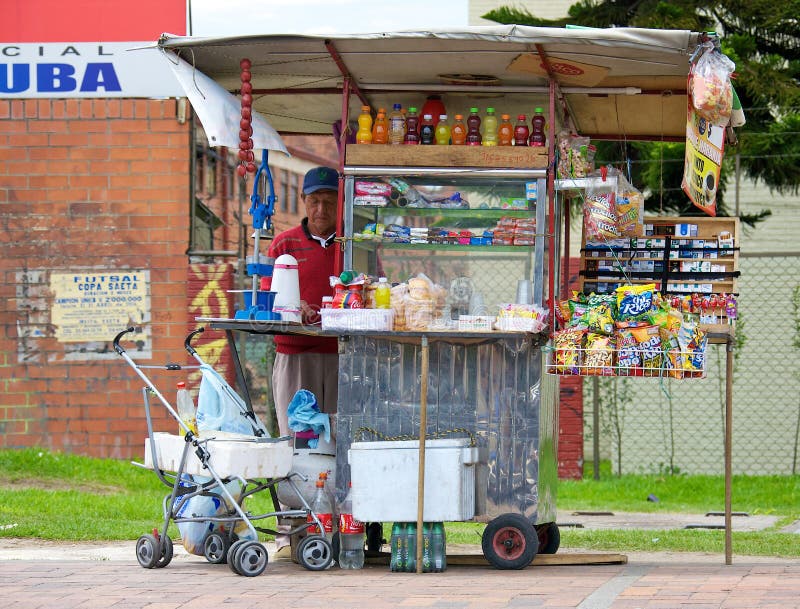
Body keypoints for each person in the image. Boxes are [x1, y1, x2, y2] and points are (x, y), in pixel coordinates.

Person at [267, 166, 340, 558]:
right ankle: (292, 533)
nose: (321, 208)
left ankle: (341, 526)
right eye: (315, 200)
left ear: (340, 203)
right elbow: (268, 299)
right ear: (304, 202)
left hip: (342, 356)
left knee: (338, 441)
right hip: (295, 355)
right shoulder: (284, 244)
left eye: (329, 201)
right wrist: (296, 306)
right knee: (297, 442)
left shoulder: (352, 243)